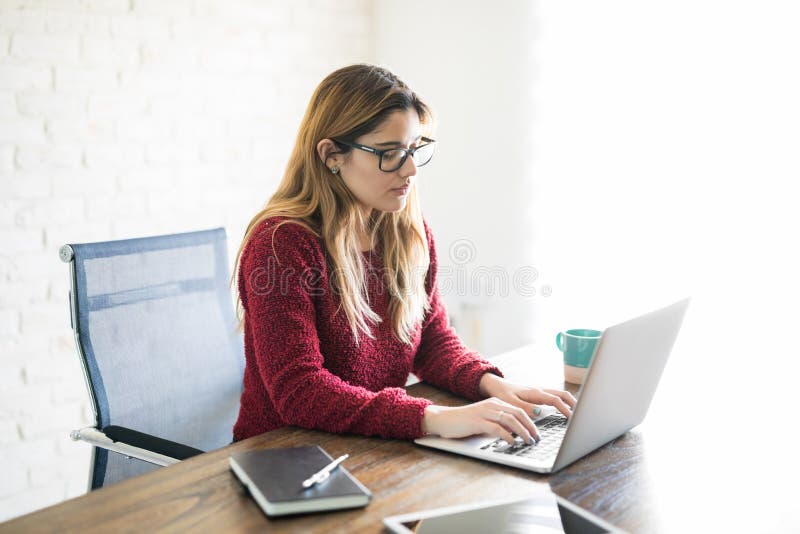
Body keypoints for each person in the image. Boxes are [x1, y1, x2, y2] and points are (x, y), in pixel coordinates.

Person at [231, 63, 575, 446]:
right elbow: (300, 391)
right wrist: (434, 418)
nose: (410, 169)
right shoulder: (281, 244)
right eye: (390, 153)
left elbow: (431, 340)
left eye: (413, 149)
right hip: (282, 457)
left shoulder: (403, 230)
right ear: (332, 155)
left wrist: (495, 386)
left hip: (370, 446)